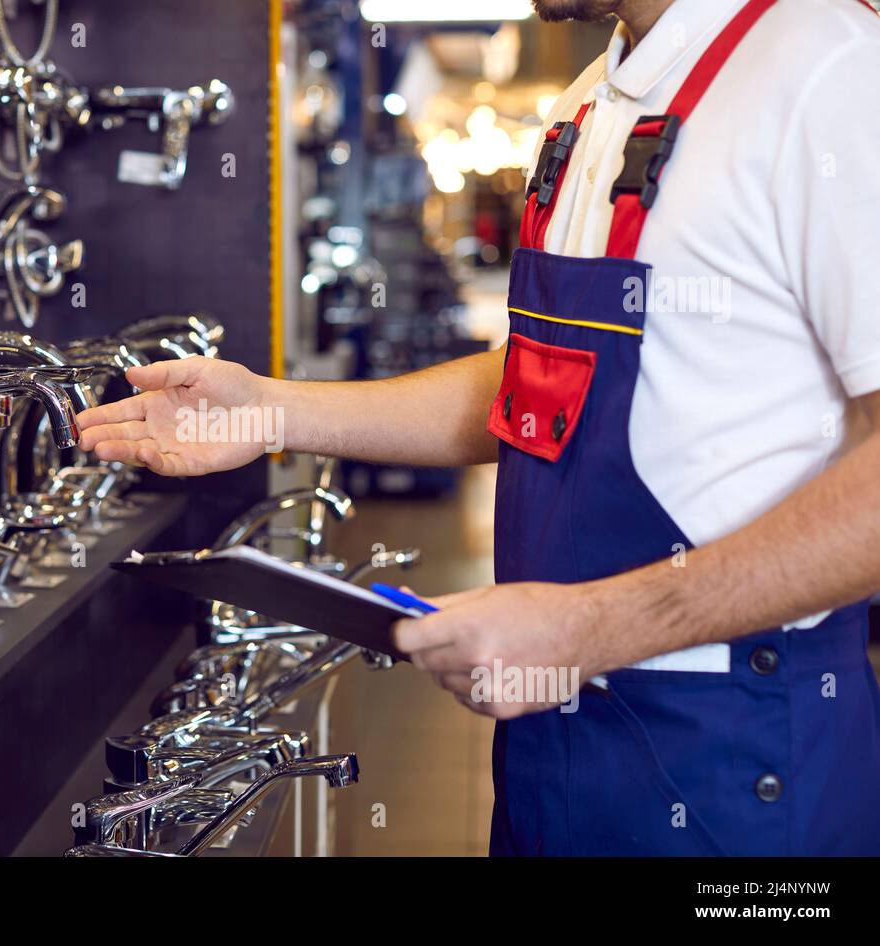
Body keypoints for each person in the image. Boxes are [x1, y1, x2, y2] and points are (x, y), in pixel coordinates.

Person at [77, 0, 880, 855]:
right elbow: (540, 378)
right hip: (551, 753)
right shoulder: (588, 104)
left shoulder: (825, 66)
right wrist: (274, 410)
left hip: (738, 766)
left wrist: (593, 628)